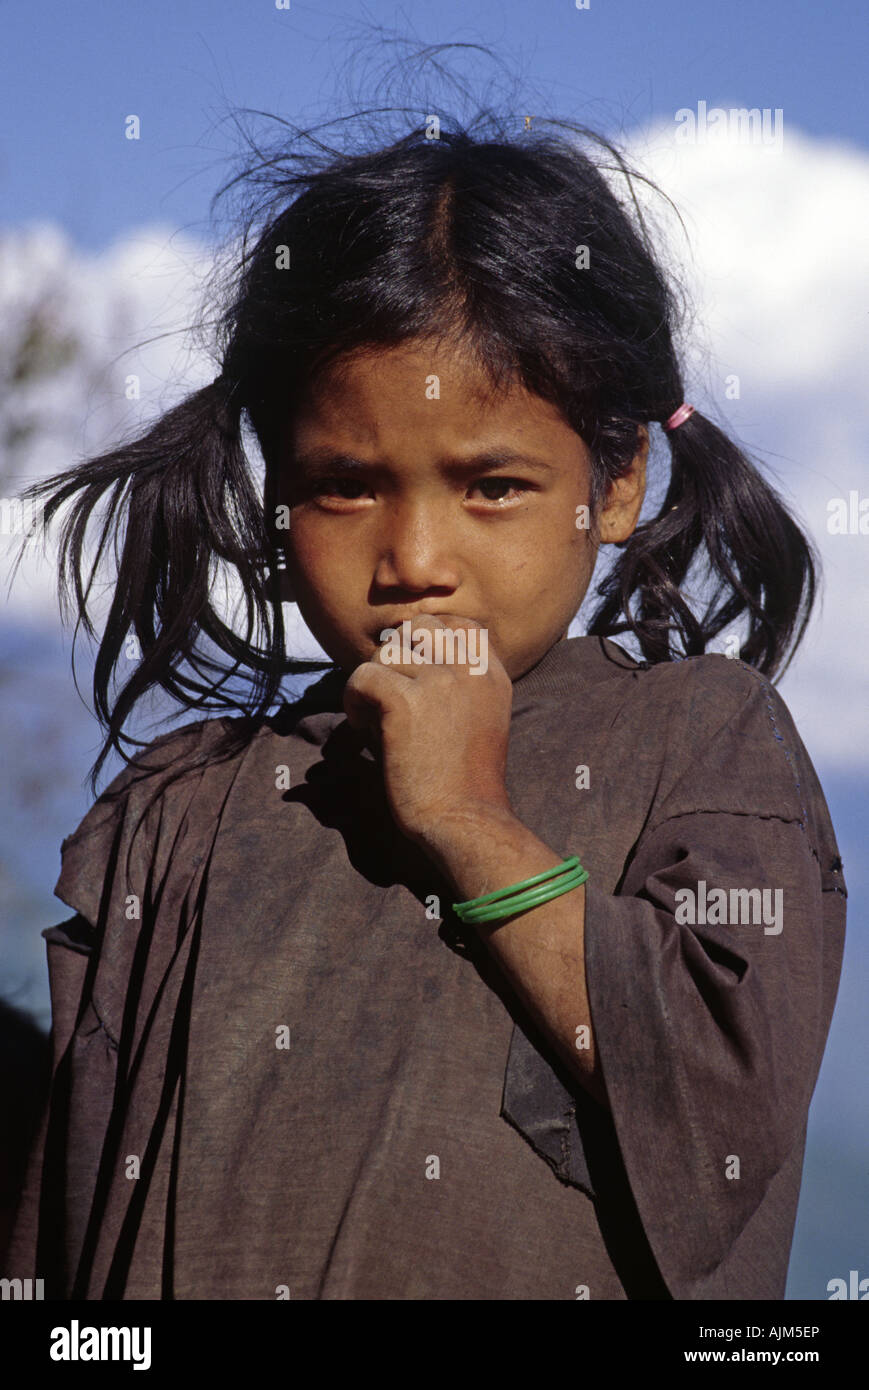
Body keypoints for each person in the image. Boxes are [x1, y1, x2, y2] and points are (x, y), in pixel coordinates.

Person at [4, 111, 846, 1301]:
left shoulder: (700, 737)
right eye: (344, 486)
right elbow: (69, 1219)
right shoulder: (179, 806)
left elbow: (719, 1108)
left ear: (612, 487)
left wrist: (466, 818)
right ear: (276, 495)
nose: (412, 558)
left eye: (492, 485)